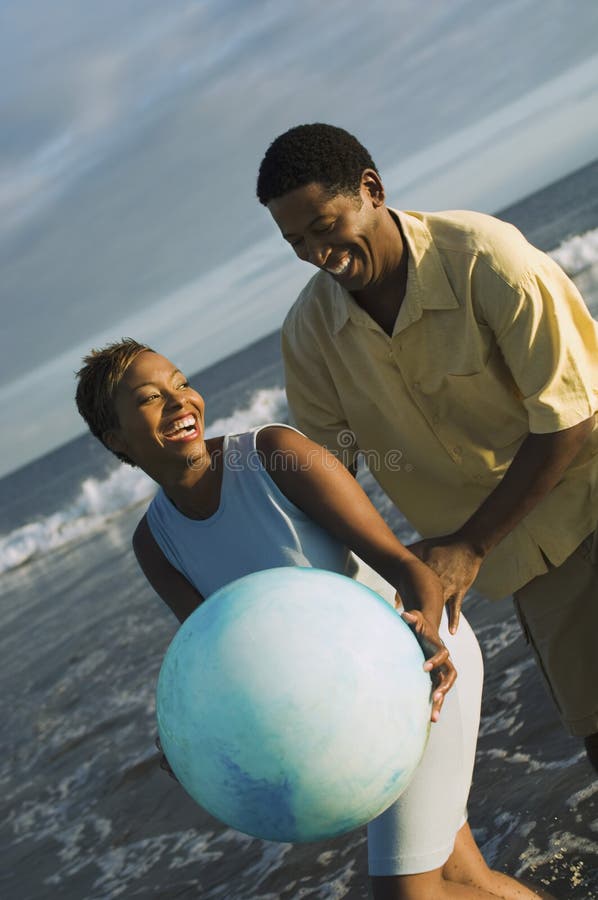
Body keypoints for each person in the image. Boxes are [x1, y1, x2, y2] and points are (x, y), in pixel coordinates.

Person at [75, 339, 549, 899]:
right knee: (457, 876)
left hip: (416, 668)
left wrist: (426, 636)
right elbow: (216, 658)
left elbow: (405, 566)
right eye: (152, 399)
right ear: (116, 439)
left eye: (181, 383)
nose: (180, 402)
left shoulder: (275, 455)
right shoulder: (156, 542)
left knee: (407, 892)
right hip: (345, 716)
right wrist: (187, 738)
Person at [256, 122, 598, 774]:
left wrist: (467, 548)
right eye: (296, 241)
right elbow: (329, 476)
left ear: (372, 189)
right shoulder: (309, 335)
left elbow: (568, 417)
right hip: (528, 558)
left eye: (325, 226)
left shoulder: (486, 258)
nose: (316, 253)